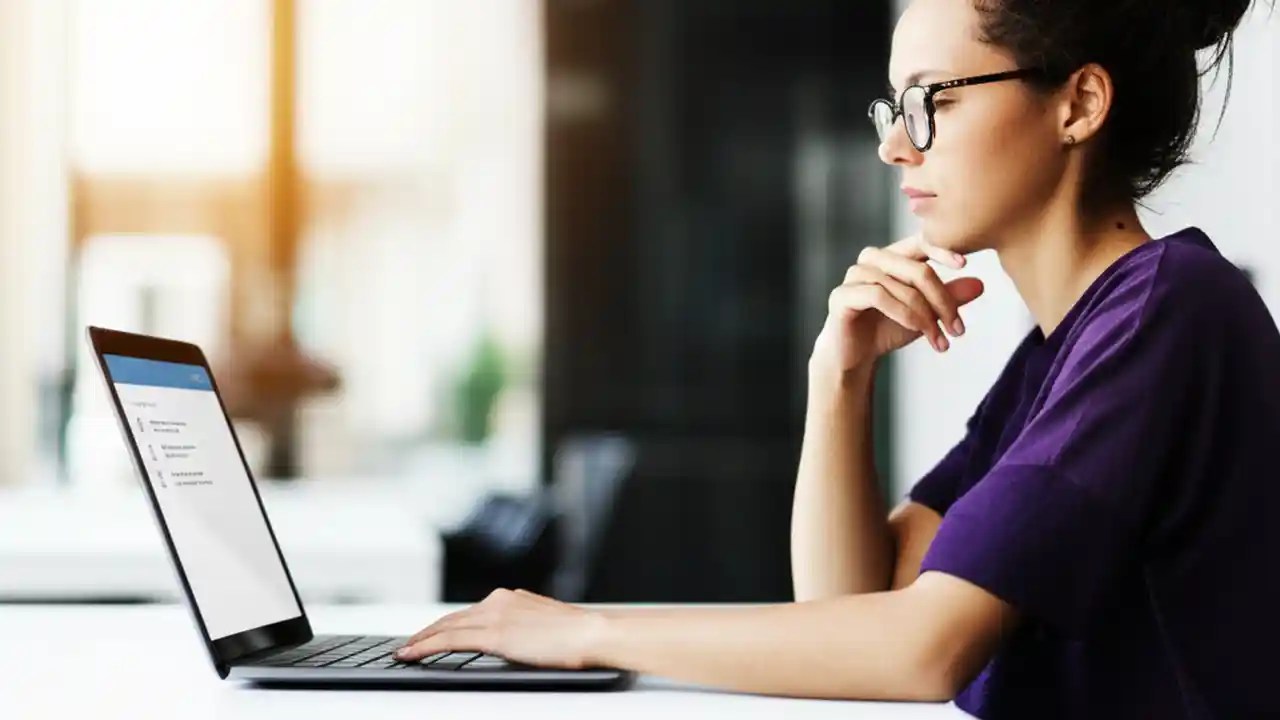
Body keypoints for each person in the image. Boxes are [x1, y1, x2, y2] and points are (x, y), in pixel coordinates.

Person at [394, 0, 1280, 715]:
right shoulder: (1069, 345)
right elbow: (855, 609)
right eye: (893, 108)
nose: (896, 144)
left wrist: (583, 632)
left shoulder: (1165, 315)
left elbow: (920, 651)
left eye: (935, 100)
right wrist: (840, 375)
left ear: (1078, 104)